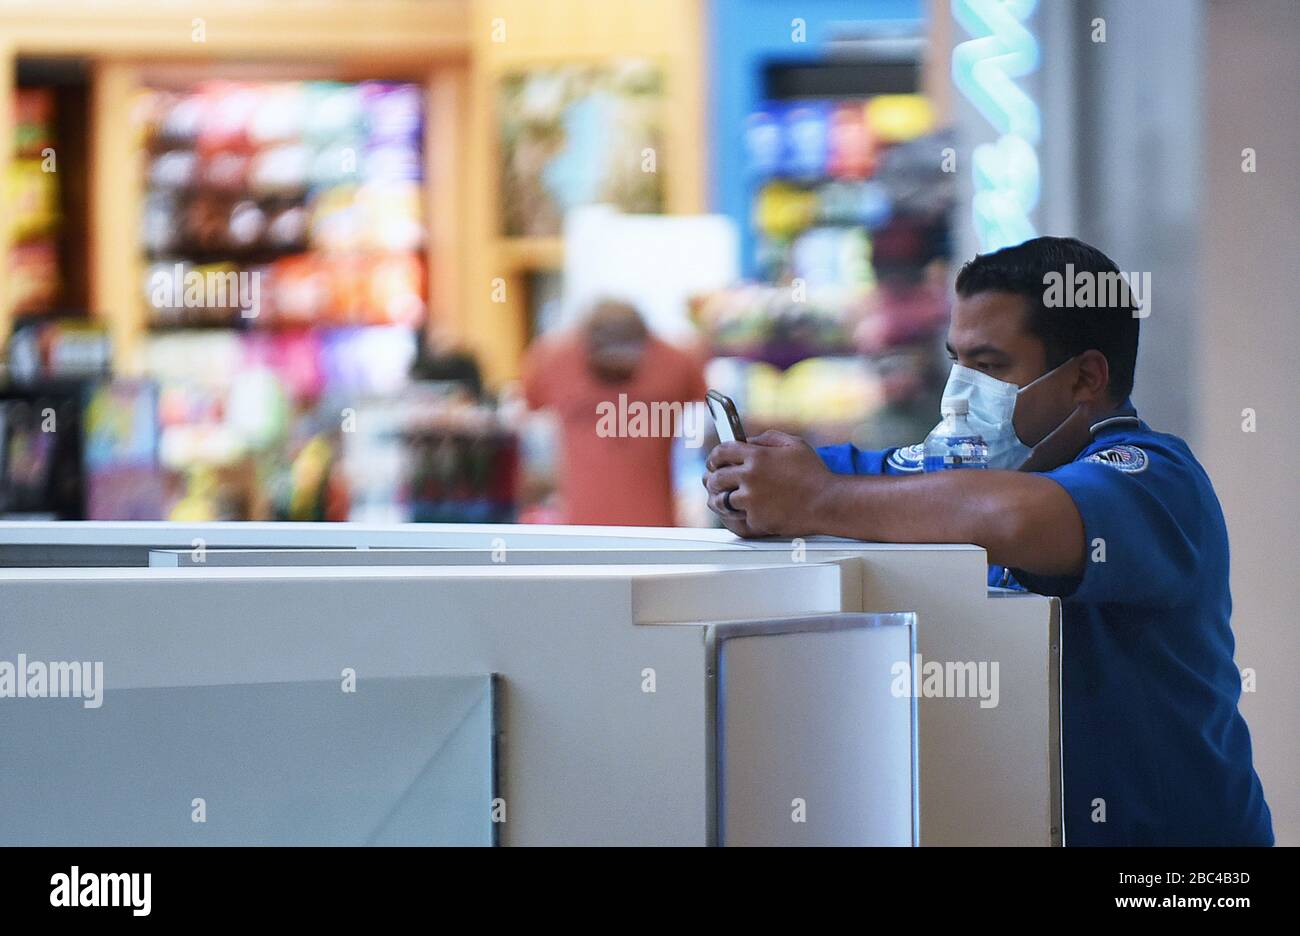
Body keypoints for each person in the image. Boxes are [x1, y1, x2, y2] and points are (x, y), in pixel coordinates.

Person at [703, 236, 1272, 846]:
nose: (960, 389)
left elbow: (1013, 521)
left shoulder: (1156, 479)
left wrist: (816, 500)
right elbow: (840, 475)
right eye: (956, 359)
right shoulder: (964, 470)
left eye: (991, 365)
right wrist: (752, 485)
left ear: (1085, 377)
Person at [524, 299, 707, 526]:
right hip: (581, 530)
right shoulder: (552, 359)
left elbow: (712, 426)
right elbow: (526, 425)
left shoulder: (678, 364)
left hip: (657, 531)